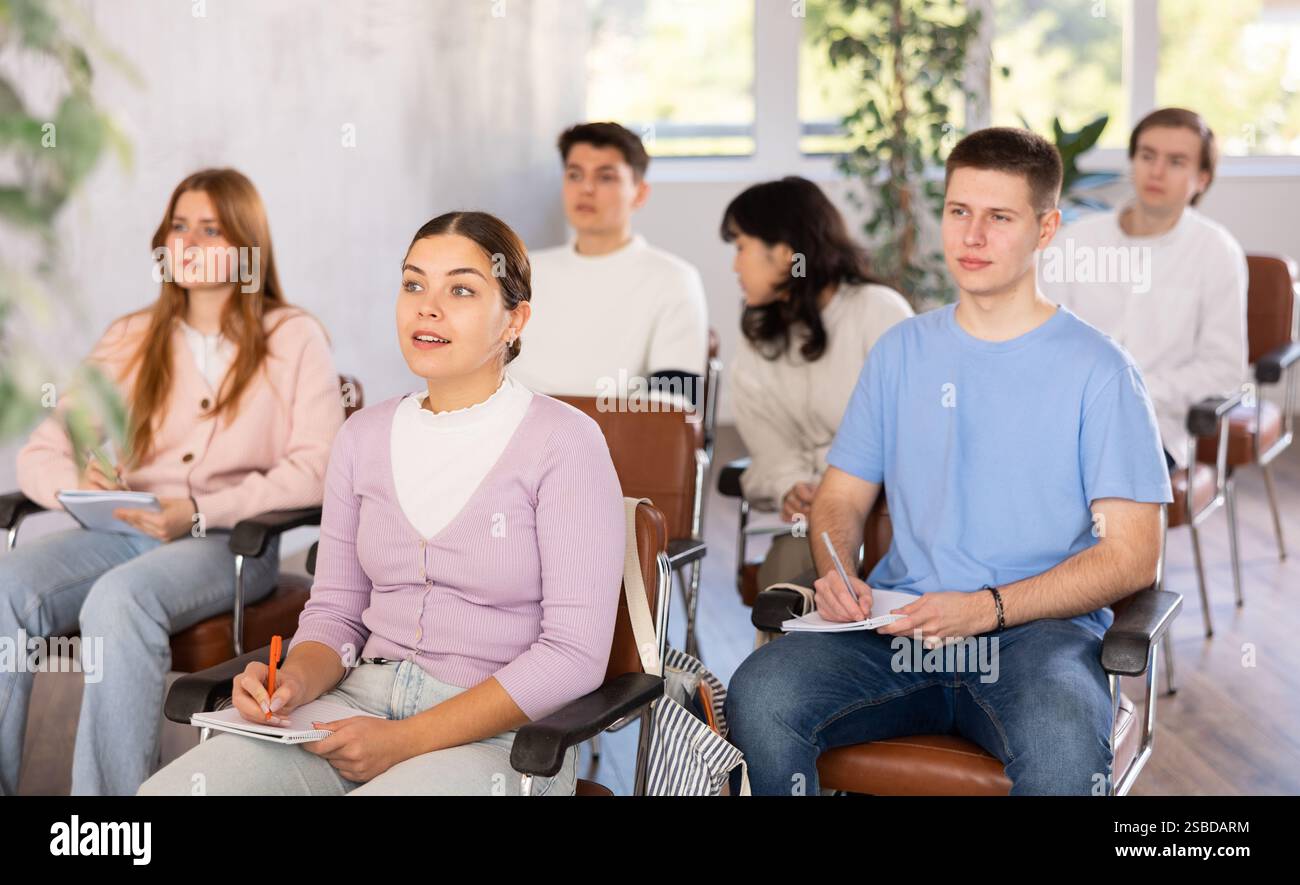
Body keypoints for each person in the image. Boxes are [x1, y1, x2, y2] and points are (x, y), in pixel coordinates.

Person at [725, 128, 1173, 796]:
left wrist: (986, 609)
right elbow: (841, 498)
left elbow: (1133, 556)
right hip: (899, 626)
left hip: (1039, 637)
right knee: (759, 693)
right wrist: (838, 571)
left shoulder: (1100, 371)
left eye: (1000, 217)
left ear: (1045, 228)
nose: (972, 236)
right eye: (960, 212)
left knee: (1060, 738)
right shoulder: (901, 351)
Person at [139, 211, 626, 796]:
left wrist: (404, 740)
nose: (428, 307)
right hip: (351, 703)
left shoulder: (565, 441)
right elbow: (337, 613)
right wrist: (292, 679)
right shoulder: (361, 437)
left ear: (514, 320)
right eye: (414, 284)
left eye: (462, 290)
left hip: (501, 737)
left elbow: (572, 656)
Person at [1, 168, 344, 795]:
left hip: (229, 545)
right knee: (6, 584)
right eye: (178, 226)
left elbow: (317, 468)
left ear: (247, 244)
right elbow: (45, 449)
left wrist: (196, 509)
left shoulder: (293, 337)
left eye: (210, 229)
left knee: (119, 599)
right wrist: (83, 483)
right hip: (124, 531)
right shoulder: (130, 337)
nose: (188, 241)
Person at [722, 176, 912, 589]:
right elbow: (770, 449)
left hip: (889, 520)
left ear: (785, 252)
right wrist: (791, 487)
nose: (735, 265)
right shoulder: (758, 335)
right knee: (785, 575)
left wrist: (838, 490)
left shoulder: (878, 312)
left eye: (741, 248)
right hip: (814, 526)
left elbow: (913, 436)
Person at [1046, 107, 1248, 471]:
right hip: (1063, 416)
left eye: (1176, 161)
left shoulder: (1216, 252)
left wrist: (1134, 391)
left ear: (1202, 178)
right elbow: (1043, 337)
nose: (1156, 171)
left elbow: (1224, 370)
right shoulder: (1076, 241)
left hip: (1152, 428)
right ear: (1132, 161)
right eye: (1147, 156)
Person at [508, 122, 709, 405]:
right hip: (512, 434)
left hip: (618, 440)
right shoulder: (525, 271)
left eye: (606, 177)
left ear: (639, 193)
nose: (586, 189)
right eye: (575, 175)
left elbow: (675, 403)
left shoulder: (673, 278)